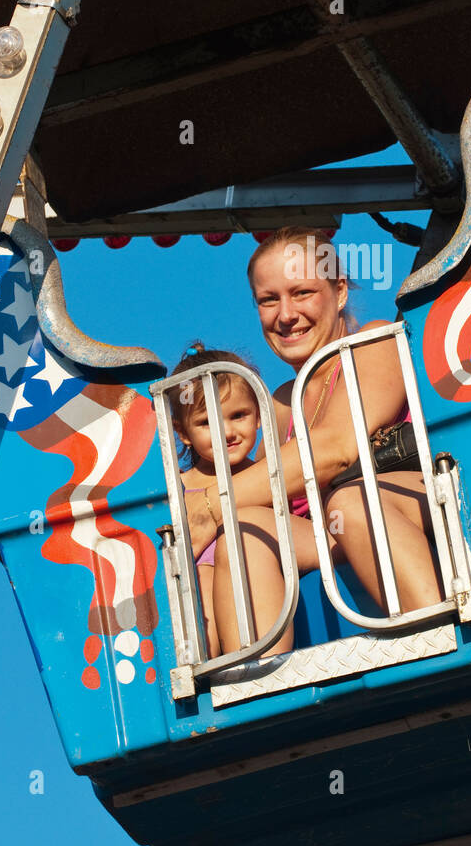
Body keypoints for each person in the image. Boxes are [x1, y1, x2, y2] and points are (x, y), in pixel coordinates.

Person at [184, 229, 442, 658]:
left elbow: (336, 446)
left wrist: (210, 505)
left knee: (351, 503)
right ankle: (257, 681)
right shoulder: (281, 403)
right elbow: (264, 499)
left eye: (301, 292)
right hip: (329, 536)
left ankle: (437, 637)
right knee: (243, 528)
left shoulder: (373, 342)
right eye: (269, 300)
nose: (286, 314)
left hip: (406, 501)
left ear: (339, 291)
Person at [168, 344, 262, 659]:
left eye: (238, 415)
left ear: (259, 415)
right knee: (202, 580)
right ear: (183, 433)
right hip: (192, 605)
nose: (227, 432)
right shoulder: (176, 488)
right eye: (208, 422)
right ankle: (204, 668)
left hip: (255, 600)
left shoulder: (264, 478)